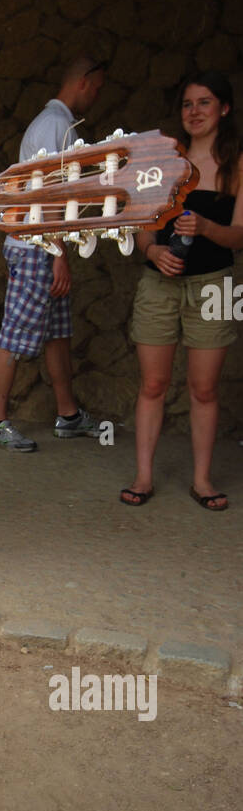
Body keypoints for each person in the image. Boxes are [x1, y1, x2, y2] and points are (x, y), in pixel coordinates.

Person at [121, 71, 243, 510]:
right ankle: (144, 476)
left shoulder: (237, 165)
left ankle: (202, 480)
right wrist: (153, 253)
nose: (194, 112)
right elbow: (142, 227)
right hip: (160, 283)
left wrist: (208, 226)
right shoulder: (164, 160)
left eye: (204, 103)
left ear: (224, 109)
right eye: (188, 104)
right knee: (152, 383)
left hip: (216, 284)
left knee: (204, 389)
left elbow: (239, 236)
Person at [0, 56, 107, 451]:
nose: (97, 96)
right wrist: (59, 254)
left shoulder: (57, 124)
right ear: (84, 82)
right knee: (15, 336)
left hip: (41, 245)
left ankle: (68, 415)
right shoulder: (55, 126)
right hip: (36, 246)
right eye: (97, 88)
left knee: (56, 336)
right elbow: (49, 194)